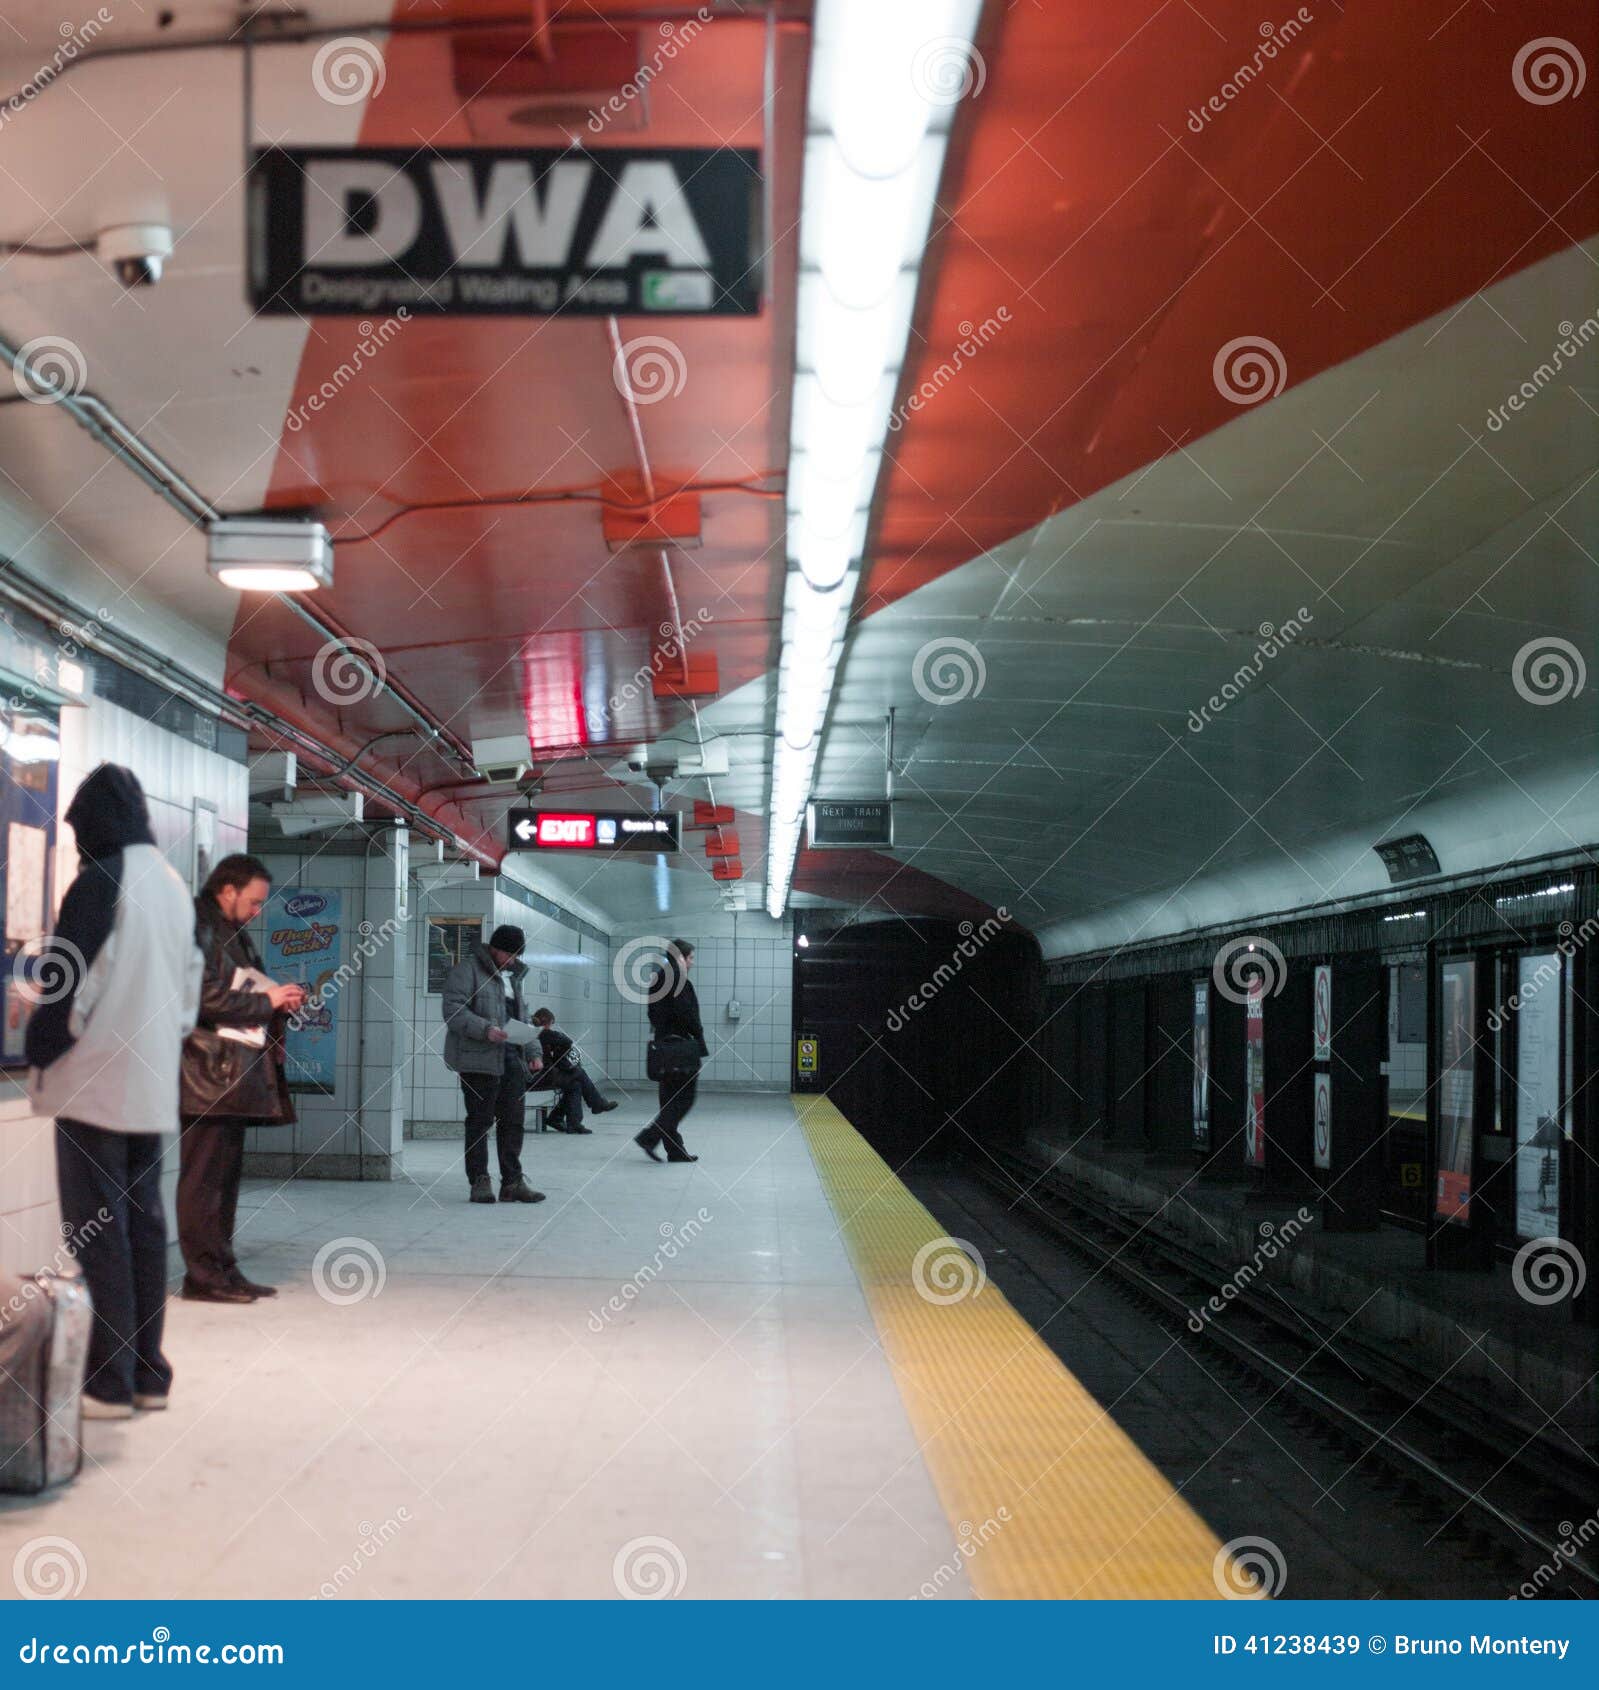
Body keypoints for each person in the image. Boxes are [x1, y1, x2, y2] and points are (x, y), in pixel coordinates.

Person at [25, 765, 203, 1417]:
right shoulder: (173, 883)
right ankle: (148, 1372)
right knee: (143, 1227)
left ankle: (108, 1380)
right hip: (150, 1085)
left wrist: (38, 1041)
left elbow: (74, 981)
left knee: (98, 1231)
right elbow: (189, 990)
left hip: (95, 1084)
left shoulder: (101, 881)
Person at [177, 855, 305, 1304]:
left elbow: (237, 987)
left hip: (230, 1072)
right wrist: (264, 1001)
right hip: (205, 1072)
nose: (257, 911)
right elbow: (200, 996)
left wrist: (276, 1000)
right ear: (226, 890)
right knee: (203, 1180)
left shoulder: (228, 929)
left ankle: (224, 1270)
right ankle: (203, 1276)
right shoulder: (197, 926)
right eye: (252, 902)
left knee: (224, 1181)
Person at [442, 925, 545, 1204]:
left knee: (513, 1122)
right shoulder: (468, 971)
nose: (512, 960)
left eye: (516, 955)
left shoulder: (514, 978)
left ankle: (512, 1182)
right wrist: (485, 1029)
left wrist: (533, 1050)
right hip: (478, 1061)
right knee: (479, 1122)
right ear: (495, 948)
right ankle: (479, 1181)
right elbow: (453, 1011)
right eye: (509, 954)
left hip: (512, 1059)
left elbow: (523, 1017)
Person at [634, 939, 708, 1164]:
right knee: (684, 1099)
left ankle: (675, 1150)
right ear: (680, 957)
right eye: (691, 957)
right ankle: (649, 1137)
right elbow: (686, 1013)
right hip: (680, 1046)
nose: (692, 963)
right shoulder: (678, 979)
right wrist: (697, 1033)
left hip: (663, 1045)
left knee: (669, 1100)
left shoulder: (657, 978)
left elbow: (653, 1014)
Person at [529, 1007, 618, 1134]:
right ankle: (596, 1105)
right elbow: (567, 1041)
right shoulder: (543, 1034)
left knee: (575, 1084)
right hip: (538, 1077)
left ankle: (564, 1120)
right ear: (548, 1023)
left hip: (543, 1075)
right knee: (578, 1073)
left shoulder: (538, 1034)